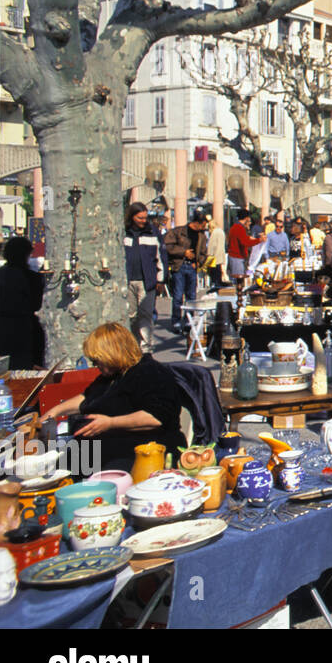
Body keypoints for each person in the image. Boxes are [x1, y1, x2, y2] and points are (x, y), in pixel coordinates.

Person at [38, 323, 187, 473]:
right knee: (52, 467)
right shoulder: (113, 376)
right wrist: (55, 411)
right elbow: (88, 398)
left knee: (73, 470)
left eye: (97, 360)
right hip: (104, 449)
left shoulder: (150, 373)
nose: (95, 364)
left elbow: (155, 417)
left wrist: (110, 423)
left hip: (148, 452)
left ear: (112, 354)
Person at [0, 237, 46, 370]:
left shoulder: (0, 275)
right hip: (24, 327)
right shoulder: (32, 278)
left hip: (3, 326)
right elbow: (36, 304)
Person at [123, 203, 164, 354]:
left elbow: (160, 257)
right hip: (128, 282)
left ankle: (146, 349)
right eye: (140, 218)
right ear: (132, 217)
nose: (143, 220)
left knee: (146, 316)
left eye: (145, 218)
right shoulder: (124, 232)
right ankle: (133, 348)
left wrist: (160, 280)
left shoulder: (152, 232)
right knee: (131, 316)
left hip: (147, 282)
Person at [164, 211, 208, 332]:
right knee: (178, 295)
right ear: (197, 223)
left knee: (191, 295)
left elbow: (204, 253)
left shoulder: (202, 236)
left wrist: (199, 262)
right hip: (179, 266)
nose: (204, 227)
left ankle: (189, 319)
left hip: (192, 268)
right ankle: (176, 321)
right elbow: (168, 246)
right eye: (203, 224)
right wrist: (184, 252)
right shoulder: (178, 232)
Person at [227, 209, 261, 279]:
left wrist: (249, 238)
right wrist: (259, 240)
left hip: (236, 257)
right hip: (237, 257)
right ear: (246, 218)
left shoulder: (235, 227)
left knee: (239, 278)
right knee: (239, 279)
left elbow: (241, 239)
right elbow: (245, 243)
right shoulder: (239, 228)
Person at [204, 216, 226, 288]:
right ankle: (218, 284)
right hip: (221, 254)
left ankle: (215, 285)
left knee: (214, 273)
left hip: (214, 256)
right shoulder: (221, 231)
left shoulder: (214, 232)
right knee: (219, 271)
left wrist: (208, 254)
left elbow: (211, 245)